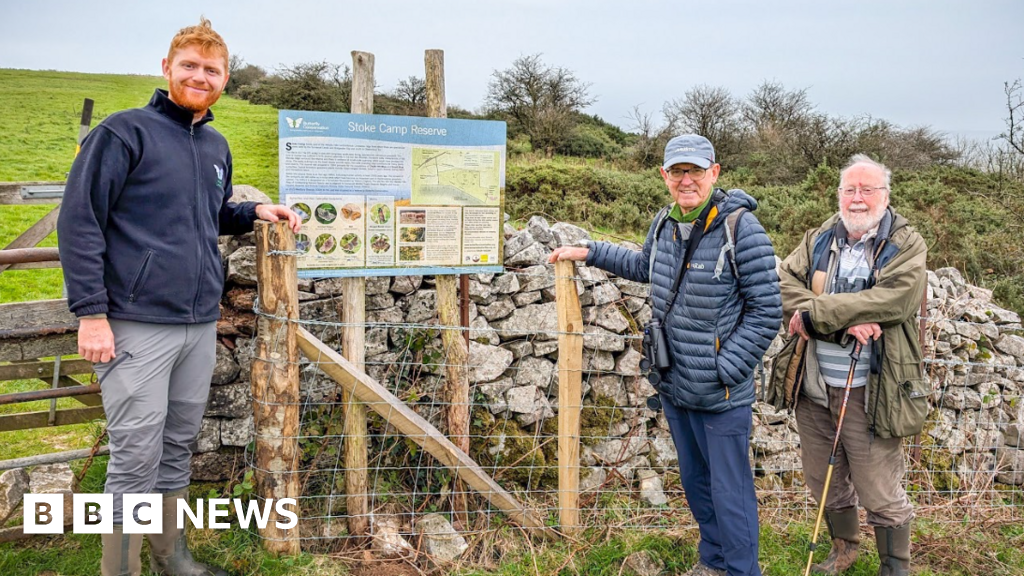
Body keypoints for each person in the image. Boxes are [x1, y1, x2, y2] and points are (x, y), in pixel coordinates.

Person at [56, 17, 300, 576]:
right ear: (166, 68)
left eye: (211, 69)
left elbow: (206, 215)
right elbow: (80, 223)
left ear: (225, 79)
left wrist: (252, 211)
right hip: (134, 323)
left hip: (197, 325)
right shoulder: (123, 133)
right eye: (188, 65)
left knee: (175, 448)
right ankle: (121, 569)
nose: (199, 75)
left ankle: (173, 558)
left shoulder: (214, 144)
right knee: (135, 457)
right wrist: (91, 315)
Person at [550, 134, 781, 576]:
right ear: (664, 177)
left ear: (714, 173)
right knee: (696, 486)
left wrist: (725, 368)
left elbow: (767, 310)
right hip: (675, 385)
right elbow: (645, 267)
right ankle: (712, 562)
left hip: (720, 394)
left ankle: (742, 571)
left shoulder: (741, 229)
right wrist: (590, 251)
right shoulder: (664, 223)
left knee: (730, 492)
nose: (686, 180)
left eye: (695, 171)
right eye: (678, 171)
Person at [772, 155, 927, 576]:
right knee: (824, 479)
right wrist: (844, 323)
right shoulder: (821, 237)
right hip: (816, 384)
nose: (857, 199)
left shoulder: (906, 243)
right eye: (849, 190)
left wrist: (818, 314)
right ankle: (844, 550)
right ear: (839, 194)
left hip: (874, 389)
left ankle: (895, 567)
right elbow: (785, 283)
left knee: (879, 488)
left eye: (867, 190)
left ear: (885, 196)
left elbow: (895, 299)